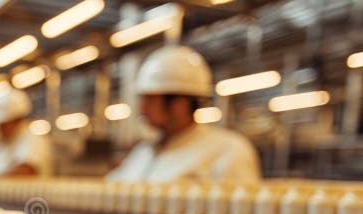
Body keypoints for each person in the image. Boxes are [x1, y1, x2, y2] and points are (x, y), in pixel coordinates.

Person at [106, 45, 261, 183]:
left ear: (179, 102)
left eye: (151, 100)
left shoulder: (228, 152)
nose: (142, 109)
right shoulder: (143, 152)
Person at [0, 88, 53, 177]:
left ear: (17, 119)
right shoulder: (3, 145)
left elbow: (24, 173)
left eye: (4, 124)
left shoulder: (34, 141)